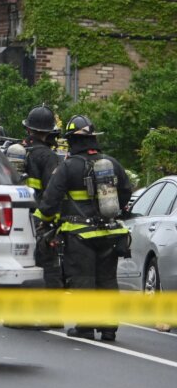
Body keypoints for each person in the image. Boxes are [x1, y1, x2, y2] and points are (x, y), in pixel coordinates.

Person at [37, 115, 133, 341]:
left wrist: (45, 221)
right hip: (110, 233)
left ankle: (86, 327)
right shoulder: (112, 163)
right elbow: (126, 192)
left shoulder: (68, 167)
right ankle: (108, 327)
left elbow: (50, 201)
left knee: (83, 279)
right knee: (107, 279)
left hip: (80, 235)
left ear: (72, 140)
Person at [22, 104, 65, 291]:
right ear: (49, 132)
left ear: (28, 128)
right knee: (49, 270)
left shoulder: (18, 151)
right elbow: (53, 191)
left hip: (16, 219)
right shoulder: (48, 157)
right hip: (41, 223)